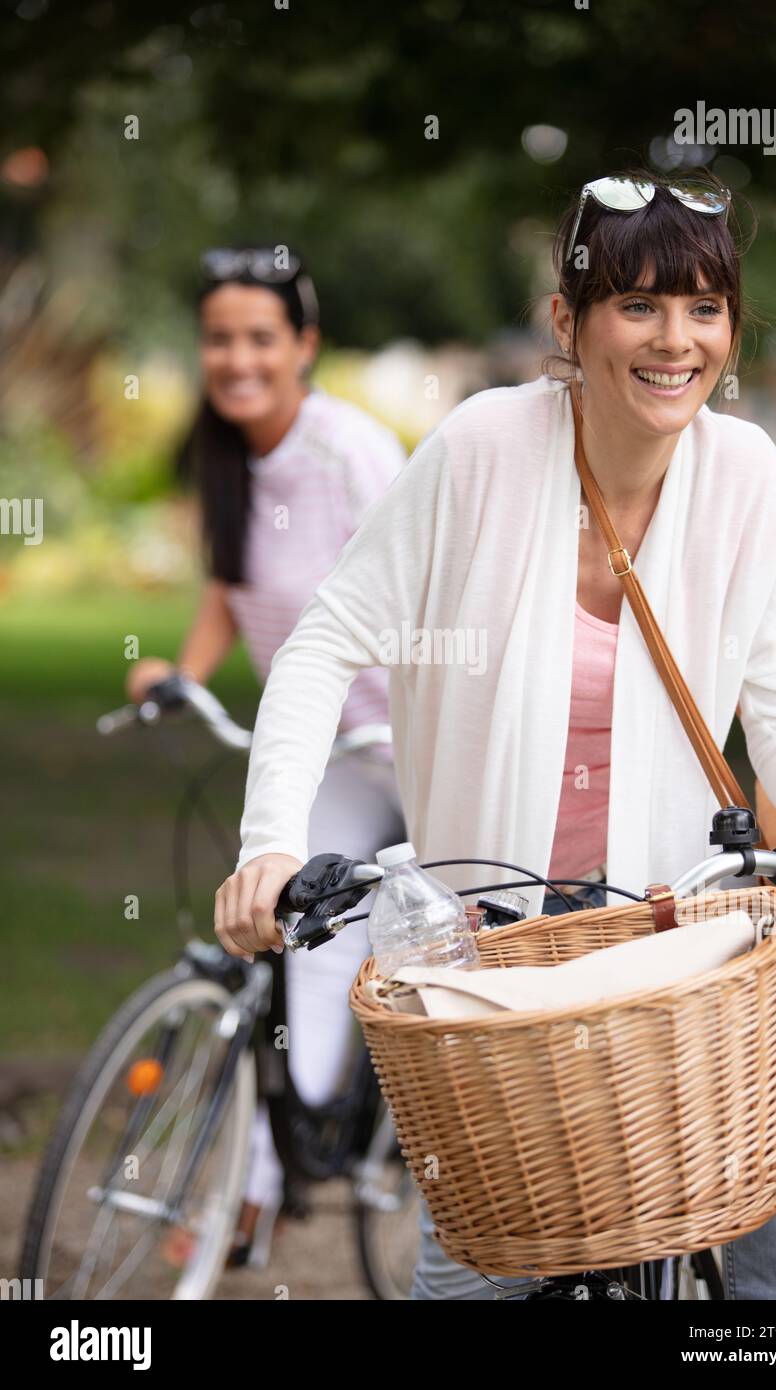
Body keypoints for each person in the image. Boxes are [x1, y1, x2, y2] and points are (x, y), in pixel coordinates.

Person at [213, 177, 776, 1299]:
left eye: (705, 307)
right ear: (567, 323)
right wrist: (269, 840)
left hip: (684, 922)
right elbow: (323, 645)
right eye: (639, 305)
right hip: (492, 934)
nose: (676, 340)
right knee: (480, 1255)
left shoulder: (745, 474)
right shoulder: (481, 451)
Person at [126, 246, 406, 1262]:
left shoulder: (352, 451)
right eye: (218, 338)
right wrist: (184, 676)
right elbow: (225, 584)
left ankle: (388, 1150)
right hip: (325, 750)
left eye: (259, 338)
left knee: (405, 951)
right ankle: (254, 1184)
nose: (235, 358)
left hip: (410, 740)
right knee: (289, 936)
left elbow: (423, 590)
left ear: (304, 347)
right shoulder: (225, 454)